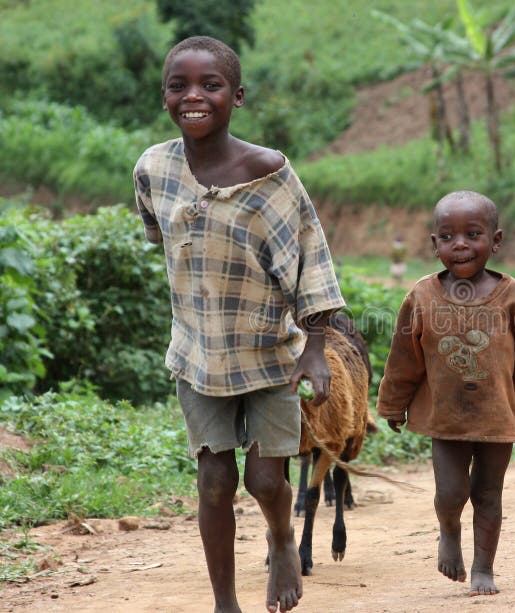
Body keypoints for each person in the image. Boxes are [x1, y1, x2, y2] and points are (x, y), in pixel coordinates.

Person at [133, 36, 345, 613]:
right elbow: (163, 236)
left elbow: (312, 258)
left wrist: (317, 348)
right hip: (198, 353)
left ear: (238, 96)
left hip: (271, 350)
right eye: (179, 86)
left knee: (265, 481)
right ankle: (225, 603)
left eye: (211, 85)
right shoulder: (154, 168)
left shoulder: (270, 174)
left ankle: (280, 539)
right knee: (214, 482)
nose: (194, 97)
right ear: (165, 97)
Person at [376, 190, 515, 597]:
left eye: (473, 233)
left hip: (496, 416)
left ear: (495, 241)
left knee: (488, 492)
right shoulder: (422, 296)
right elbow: (404, 357)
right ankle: (448, 528)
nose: (461, 244)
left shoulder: (511, 295)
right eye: (448, 236)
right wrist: (393, 403)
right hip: (444, 418)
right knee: (450, 492)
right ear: (435, 246)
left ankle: (484, 566)